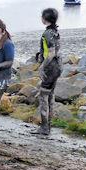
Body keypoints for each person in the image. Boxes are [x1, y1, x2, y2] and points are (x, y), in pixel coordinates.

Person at [31, 8, 62, 136]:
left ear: (45, 18)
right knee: (50, 97)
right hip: (58, 67)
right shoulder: (55, 31)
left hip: (50, 68)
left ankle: (44, 127)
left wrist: (42, 66)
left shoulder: (47, 33)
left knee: (44, 97)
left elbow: (51, 53)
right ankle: (48, 126)